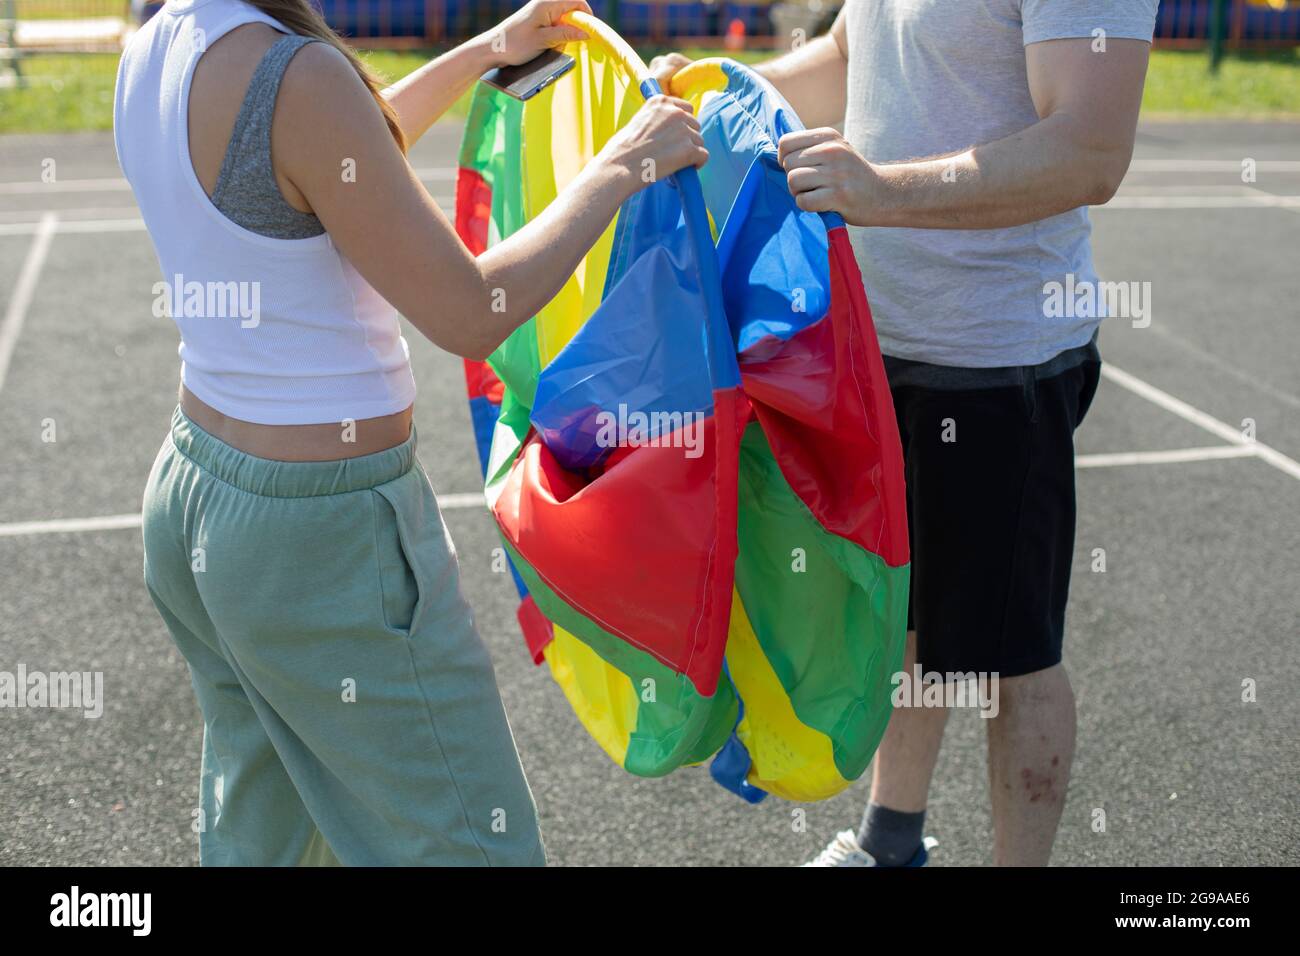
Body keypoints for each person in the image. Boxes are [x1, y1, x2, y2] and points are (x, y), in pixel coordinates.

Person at [115, 0, 707, 865]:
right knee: (473, 845)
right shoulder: (299, 79)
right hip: (322, 539)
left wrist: (484, 53)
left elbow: (342, 161)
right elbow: (472, 311)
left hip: (197, 502)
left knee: (264, 842)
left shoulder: (156, 44)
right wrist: (622, 165)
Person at [654, 0, 1158, 866]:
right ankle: (891, 840)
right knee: (906, 619)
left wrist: (882, 191)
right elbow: (851, 56)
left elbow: (1090, 150)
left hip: (996, 361)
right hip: (872, 342)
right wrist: (710, 92)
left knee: (1015, 658)